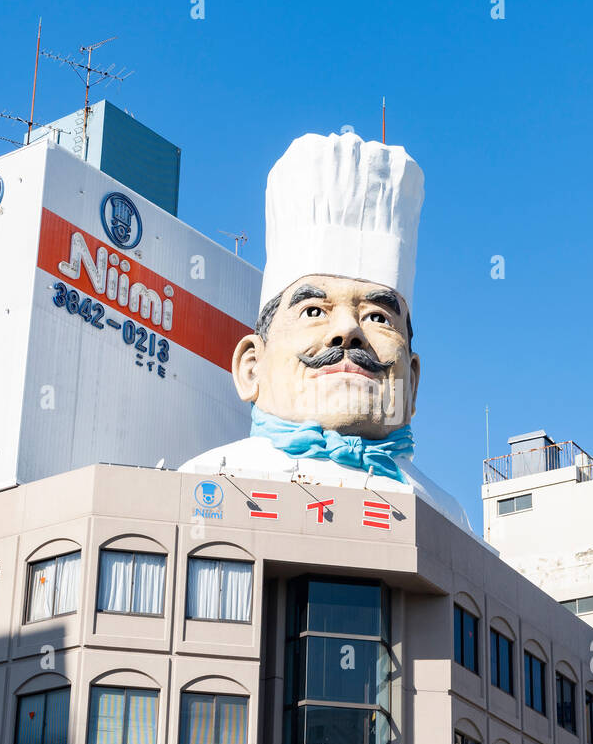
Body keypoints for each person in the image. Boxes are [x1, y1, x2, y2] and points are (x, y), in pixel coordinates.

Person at [180, 131, 471, 532]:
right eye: (314, 310)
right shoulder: (205, 482)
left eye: (378, 317)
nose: (348, 330)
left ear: (414, 381)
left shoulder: (445, 517)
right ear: (251, 366)